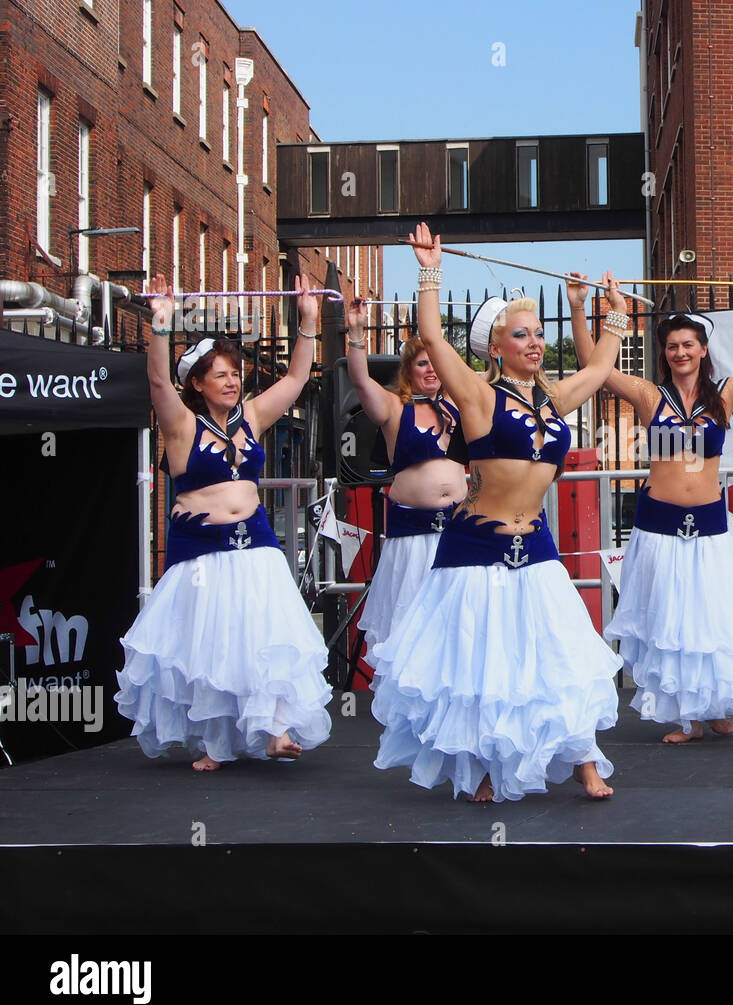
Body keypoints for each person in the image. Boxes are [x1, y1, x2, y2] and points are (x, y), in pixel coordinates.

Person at [369, 224, 625, 801]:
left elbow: (600, 368)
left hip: (534, 544)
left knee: (560, 649)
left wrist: (611, 316)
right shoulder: (480, 397)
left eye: (538, 334)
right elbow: (431, 334)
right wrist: (429, 269)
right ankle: (483, 766)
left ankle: (585, 757)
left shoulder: (553, 400)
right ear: (496, 347)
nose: (535, 343)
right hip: (475, 547)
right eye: (521, 335)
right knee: (484, 660)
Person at [573, 270, 733, 742]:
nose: (681, 352)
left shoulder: (725, 395)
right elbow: (594, 366)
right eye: (672, 346)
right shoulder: (651, 397)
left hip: (708, 524)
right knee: (672, 619)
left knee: (709, 617)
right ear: (664, 353)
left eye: (689, 344)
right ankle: (686, 716)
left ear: (703, 349)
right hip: (659, 526)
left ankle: (714, 707)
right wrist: (583, 305)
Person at [116, 273, 332, 771]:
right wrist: (162, 324)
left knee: (263, 632)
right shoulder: (182, 424)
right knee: (211, 642)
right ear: (197, 383)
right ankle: (214, 742)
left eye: (236, 373)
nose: (234, 381)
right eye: (221, 374)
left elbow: (297, 380)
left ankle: (274, 729)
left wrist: (307, 322)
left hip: (253, 540)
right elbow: (155, 381)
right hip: (202, 547)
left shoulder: (252, 417)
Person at [343, 306, 468, 660]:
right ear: (408, 371)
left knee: (456, 629)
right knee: (412, 629)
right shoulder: (395, 408)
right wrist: (356, 337)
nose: (431, 370)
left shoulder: (460, 405)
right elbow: (360, 382)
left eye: (435, 363)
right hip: (413, 536)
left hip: (457, 531)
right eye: (422, 364)